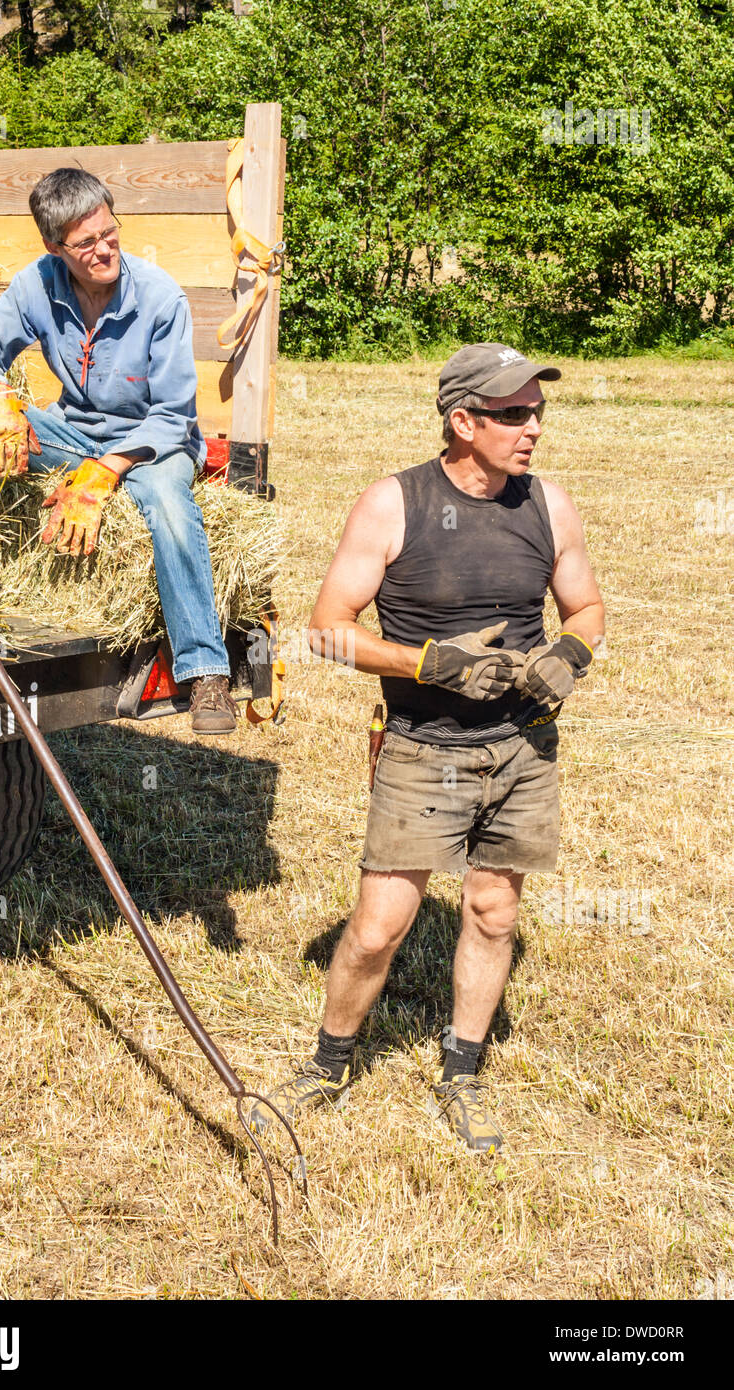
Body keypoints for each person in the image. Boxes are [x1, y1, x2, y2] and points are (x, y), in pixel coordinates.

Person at [252, 342, 605, 1152]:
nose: (533, 429)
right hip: (422, 747)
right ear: (462, 422)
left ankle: (463, 1071)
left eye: (537, 412)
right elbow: (326, 631)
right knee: (381, 926)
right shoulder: (394, 503)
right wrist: (429, 662)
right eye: (515, 414)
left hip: (524, 746)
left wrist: (568, 656)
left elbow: (586, 607)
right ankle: (327, 1064)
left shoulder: (549, 505)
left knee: (491, 909)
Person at [0, 167, 236, 735]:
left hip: (150, 445)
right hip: (72, 434)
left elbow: (174, 417)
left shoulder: (161, 297)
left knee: (167, 501)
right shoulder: (37, 283)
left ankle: (205, 670)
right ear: (54, 247)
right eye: (86, 242)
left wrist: (108, 470)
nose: (104, 250)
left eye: (110, 234)